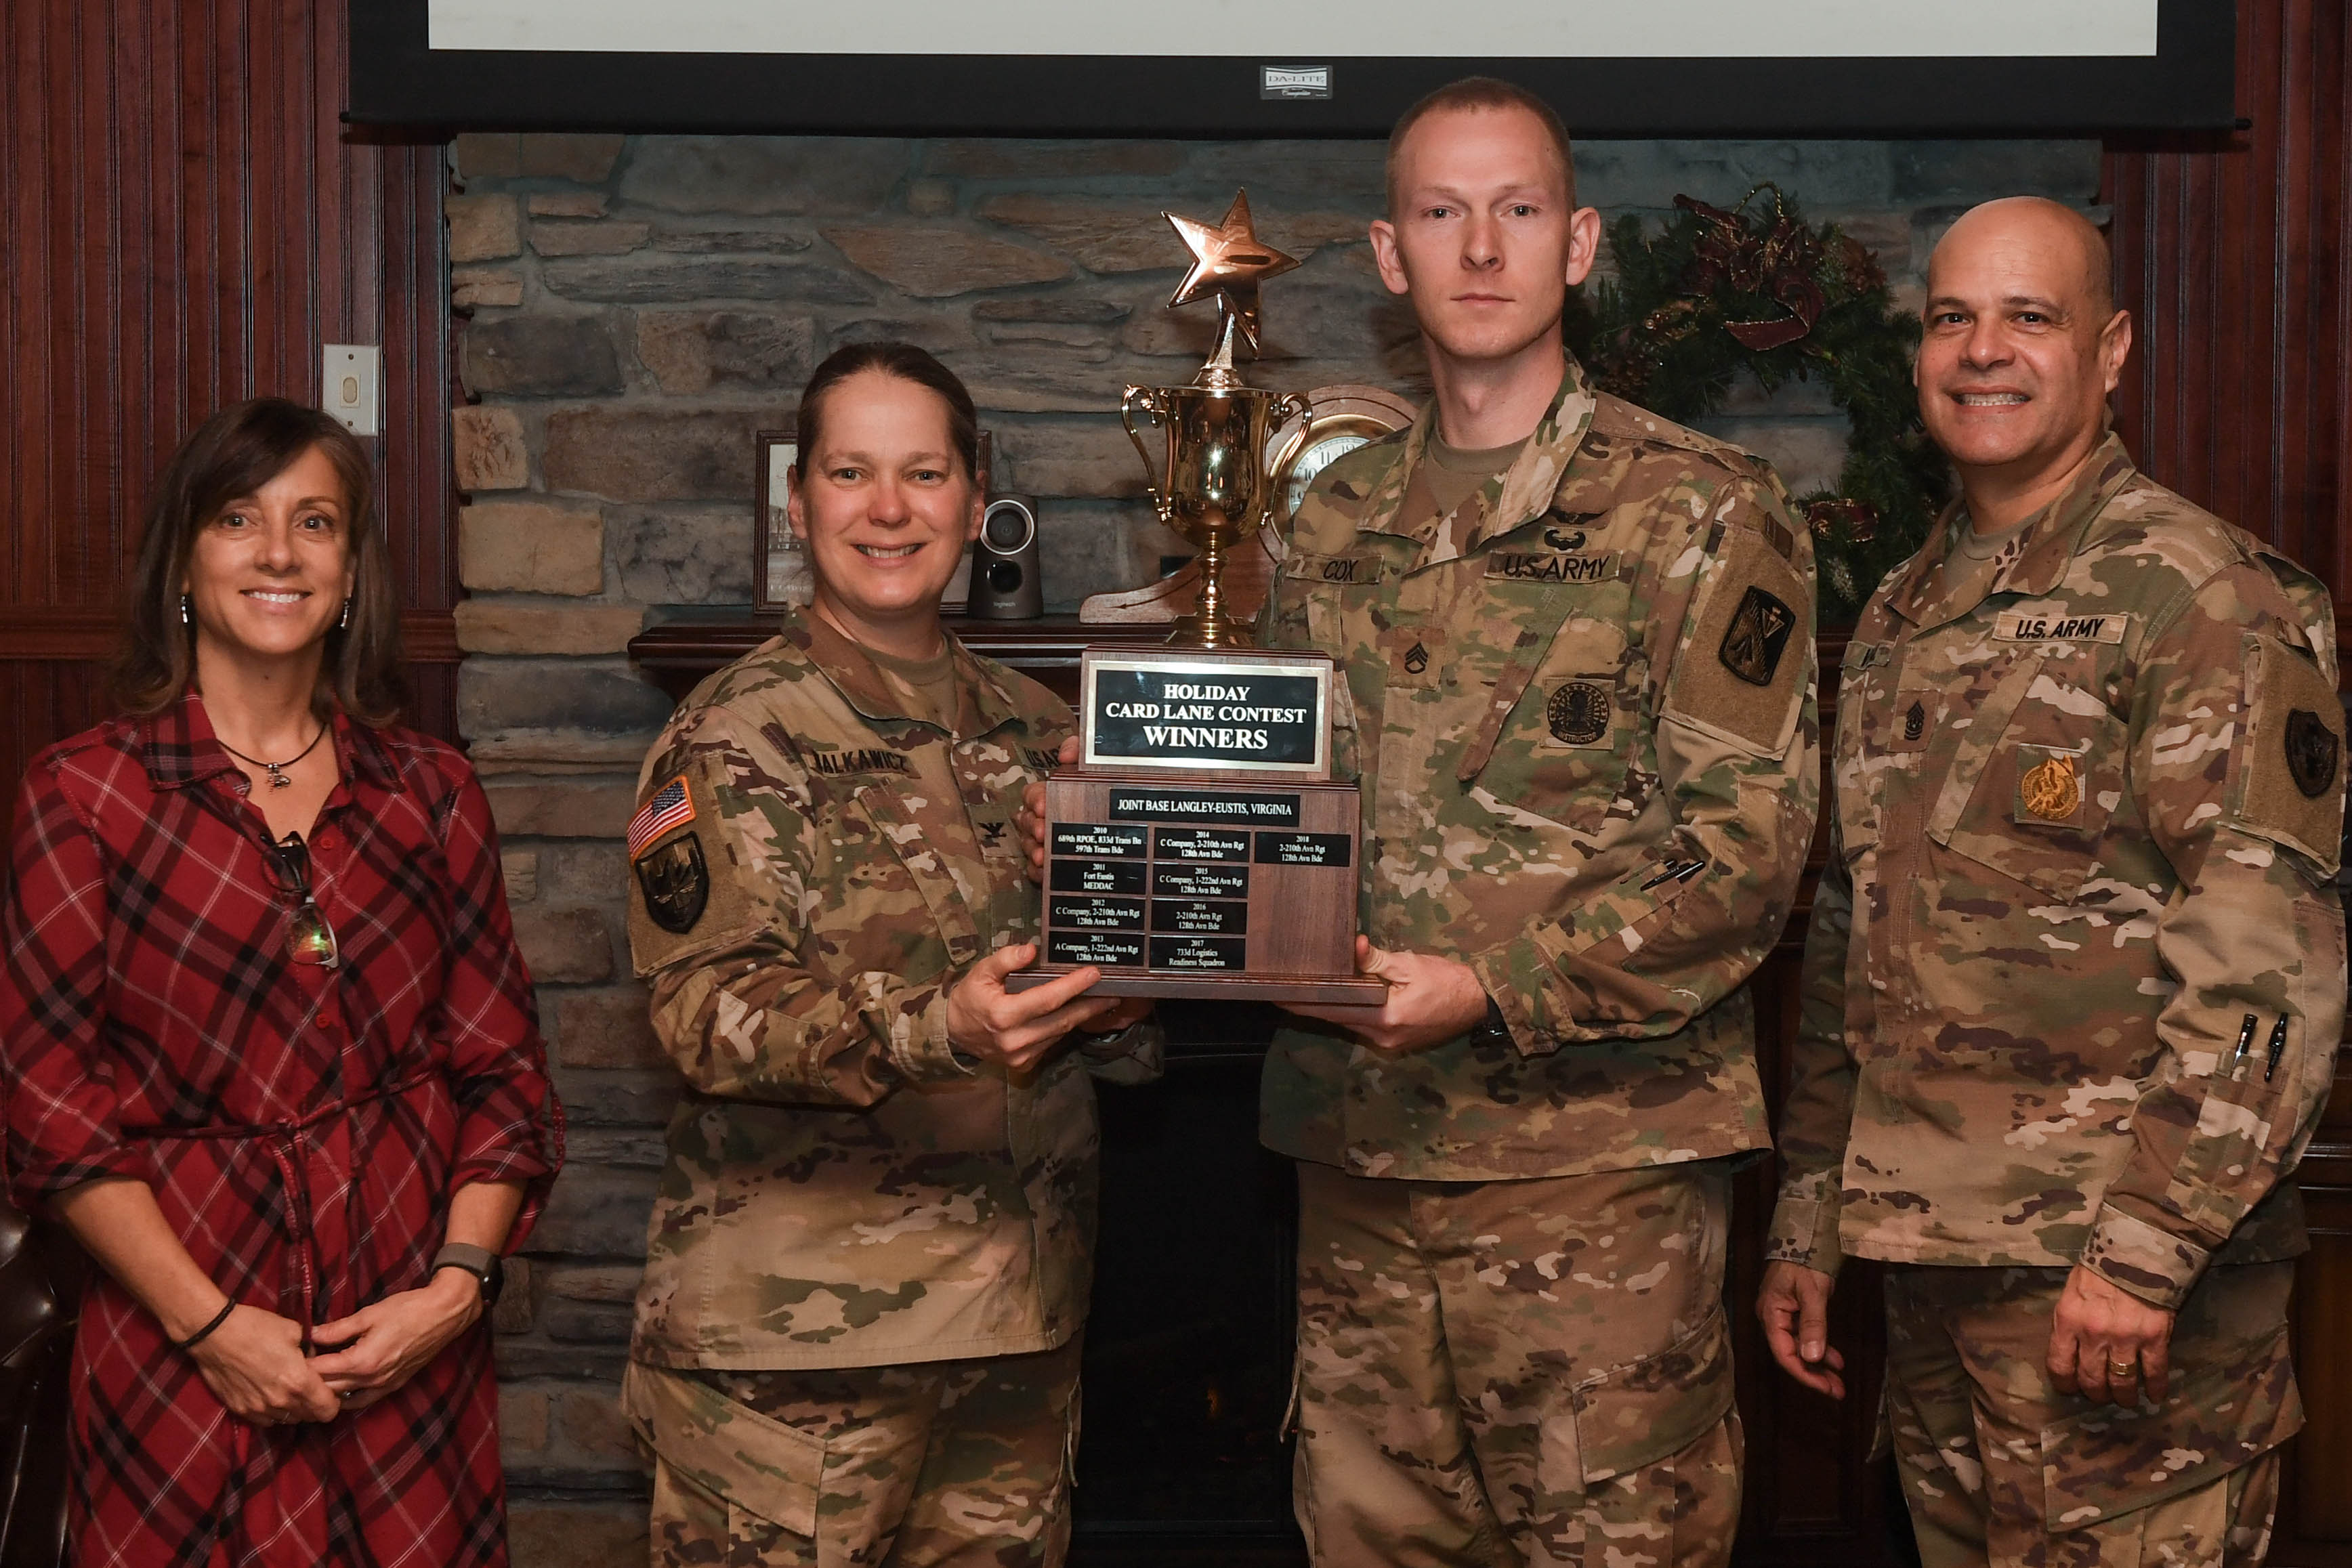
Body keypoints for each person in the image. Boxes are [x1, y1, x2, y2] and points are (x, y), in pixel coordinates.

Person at [1032, 79, 1817, 1565]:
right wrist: (1122, 825)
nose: (1478, 250)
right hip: (1360, 1177)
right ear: (1388, 256)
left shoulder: (1704, 509)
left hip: (1593, 1193)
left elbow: (1743, 859)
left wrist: (1491, 988)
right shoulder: (1323, 526)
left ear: (1575, 243)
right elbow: (1270, 795)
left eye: (1515, 211)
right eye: (1440, 214)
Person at [1757, 197, 2344, 1567]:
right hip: (1932, 1281)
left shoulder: (2204, 599)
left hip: (2126, 1301)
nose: (1983, 352)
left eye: (2029, 316)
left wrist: (2143, 1250)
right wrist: (1807, 1222)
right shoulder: (1905, 613)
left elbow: (2268, 971)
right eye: (1951, 318)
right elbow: (1852, 948)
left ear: (2111, 348)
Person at [1, 397, 564, 1566]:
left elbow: (504, 1078)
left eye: (316, 523)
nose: (277, 553)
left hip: (402, 1341)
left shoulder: (431, 791)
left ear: (351, 569)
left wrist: (456, 1291)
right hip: (178, 1331)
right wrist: (210, 1328)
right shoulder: (88, 795)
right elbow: (49, 1112)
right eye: (239, 520)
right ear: (185, 565)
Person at [619, 342, 1156, 1568]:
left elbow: (1127, 1036)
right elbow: (704, 1013)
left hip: (1017, 1325)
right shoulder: (728, 736)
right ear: (798, 503)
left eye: (924, 472)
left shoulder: (1050, 733)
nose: (889, 509)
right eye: (851, 472)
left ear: (977, 500)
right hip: (796, 1353)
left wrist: (1125, 980)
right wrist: (941, 1030)